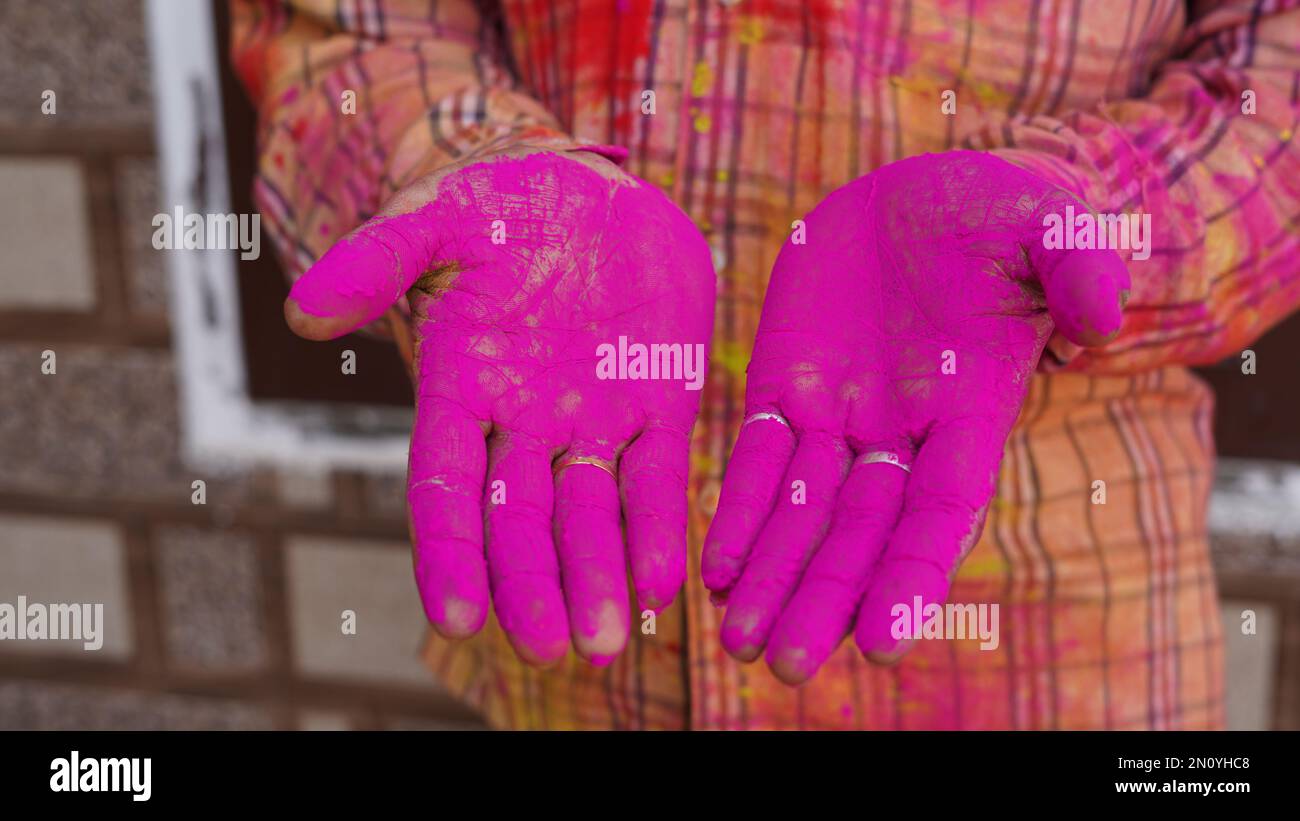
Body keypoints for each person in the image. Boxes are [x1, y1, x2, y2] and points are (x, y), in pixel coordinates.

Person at [230, 0, 1300, 729]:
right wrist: (461, 162)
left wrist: (1087, 214)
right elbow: (348, 31)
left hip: (1043, 631)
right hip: (572, 595)